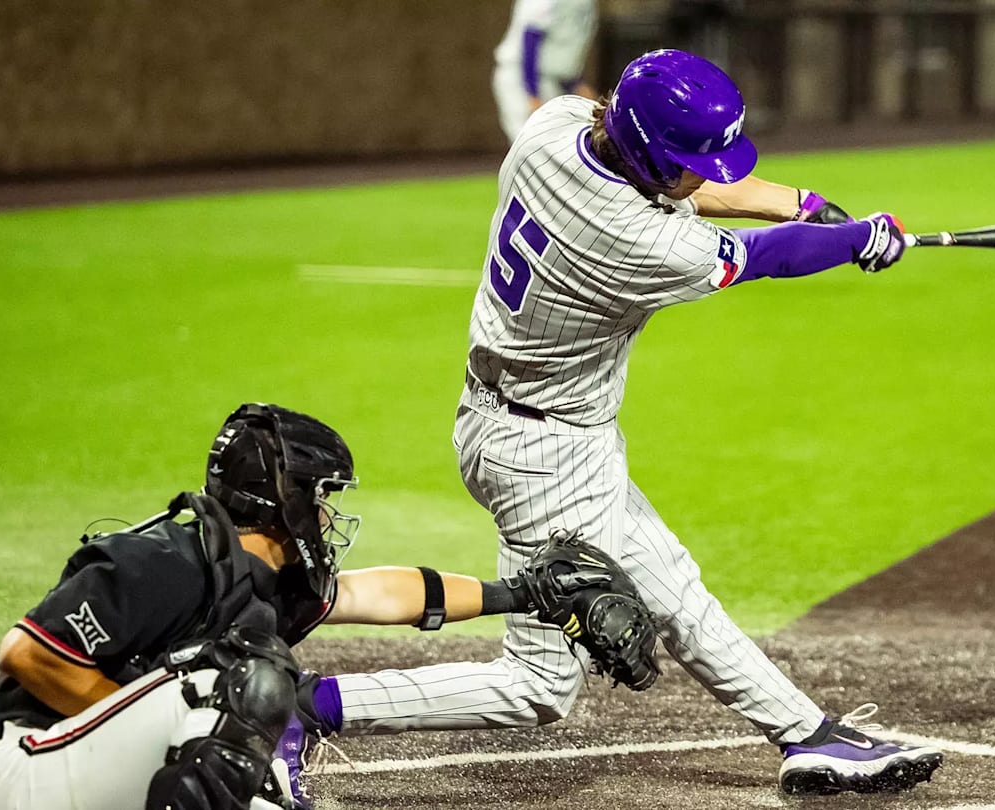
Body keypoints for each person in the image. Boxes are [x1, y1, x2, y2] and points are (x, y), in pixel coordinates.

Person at [292, 49, 942, 796]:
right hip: (547, 453)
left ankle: (808, 737)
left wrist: (802, 202)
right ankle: (299, 707)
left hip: (520, 424)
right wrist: (856, 239)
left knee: (674, 591)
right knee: (539, 685)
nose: (702, 175)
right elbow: (763, 257)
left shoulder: (553, 127)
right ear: (651, 158)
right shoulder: (638, 242)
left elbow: (692, 192)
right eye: (690, 163)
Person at [0, 403, 564, 810]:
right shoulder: (161, 563)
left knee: (251, 753)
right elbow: (25, 654)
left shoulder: (263, 580)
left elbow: (383, 594)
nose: (327, 516)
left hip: (101, 775)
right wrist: (161, 727)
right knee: (243, 692)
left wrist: (521, 594)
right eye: (322, 497)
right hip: (30, 773)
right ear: (288, 500)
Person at [493, 0, 598, 140]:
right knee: (530, 143)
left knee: (552, 143)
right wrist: (533, 94)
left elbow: (560, 46)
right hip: (521, 76)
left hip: (551, 81)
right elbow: (530, 38)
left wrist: (576, 84)